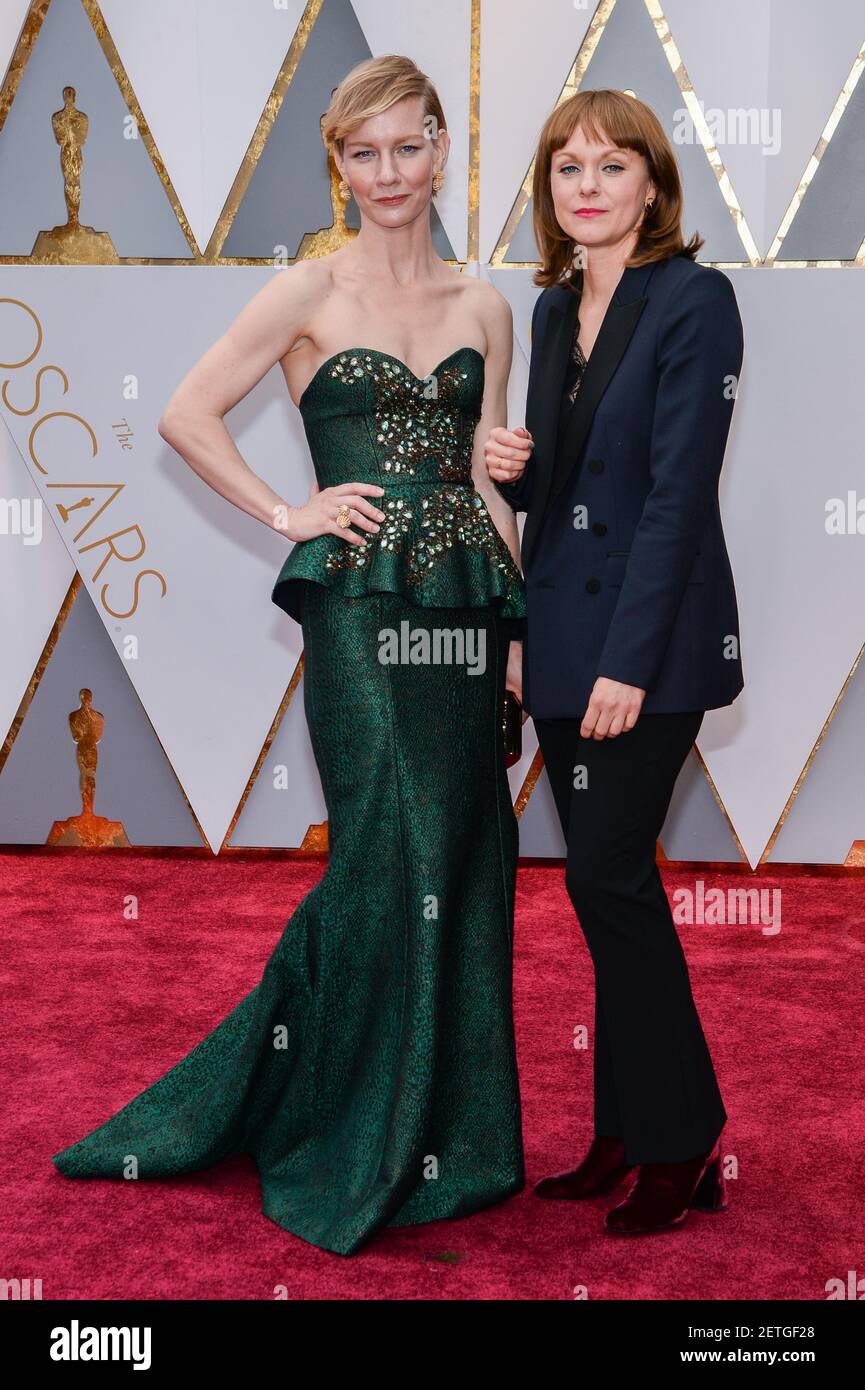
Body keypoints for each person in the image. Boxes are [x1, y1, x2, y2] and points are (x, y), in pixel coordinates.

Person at [52, 55, 528, 1257]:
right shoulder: (306, 291)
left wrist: (520, 640)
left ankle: (449, 1137)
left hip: (467, 611)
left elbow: (480, 479)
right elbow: (184, 411)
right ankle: (328, 1114)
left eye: (407, 148)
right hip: (361, 612)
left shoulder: (485, 307)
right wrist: (288, 510)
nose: (388, 175)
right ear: (339, 163)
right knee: (390, 844)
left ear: (438, 147)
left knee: (464, 848)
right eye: (361, 154)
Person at [486, 88, 744, 1235]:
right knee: (608, 889)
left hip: (651, 645)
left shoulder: (694, 301)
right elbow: (566, 494)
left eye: (610, 166)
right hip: (561, 640)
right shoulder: (549, 312)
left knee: (606, 880)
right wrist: (509, 467)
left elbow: (676, 497)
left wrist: (628, 665)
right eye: (564, 170)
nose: (584, 187)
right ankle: (626, 1126)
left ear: (652, 184)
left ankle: (683, 1139)